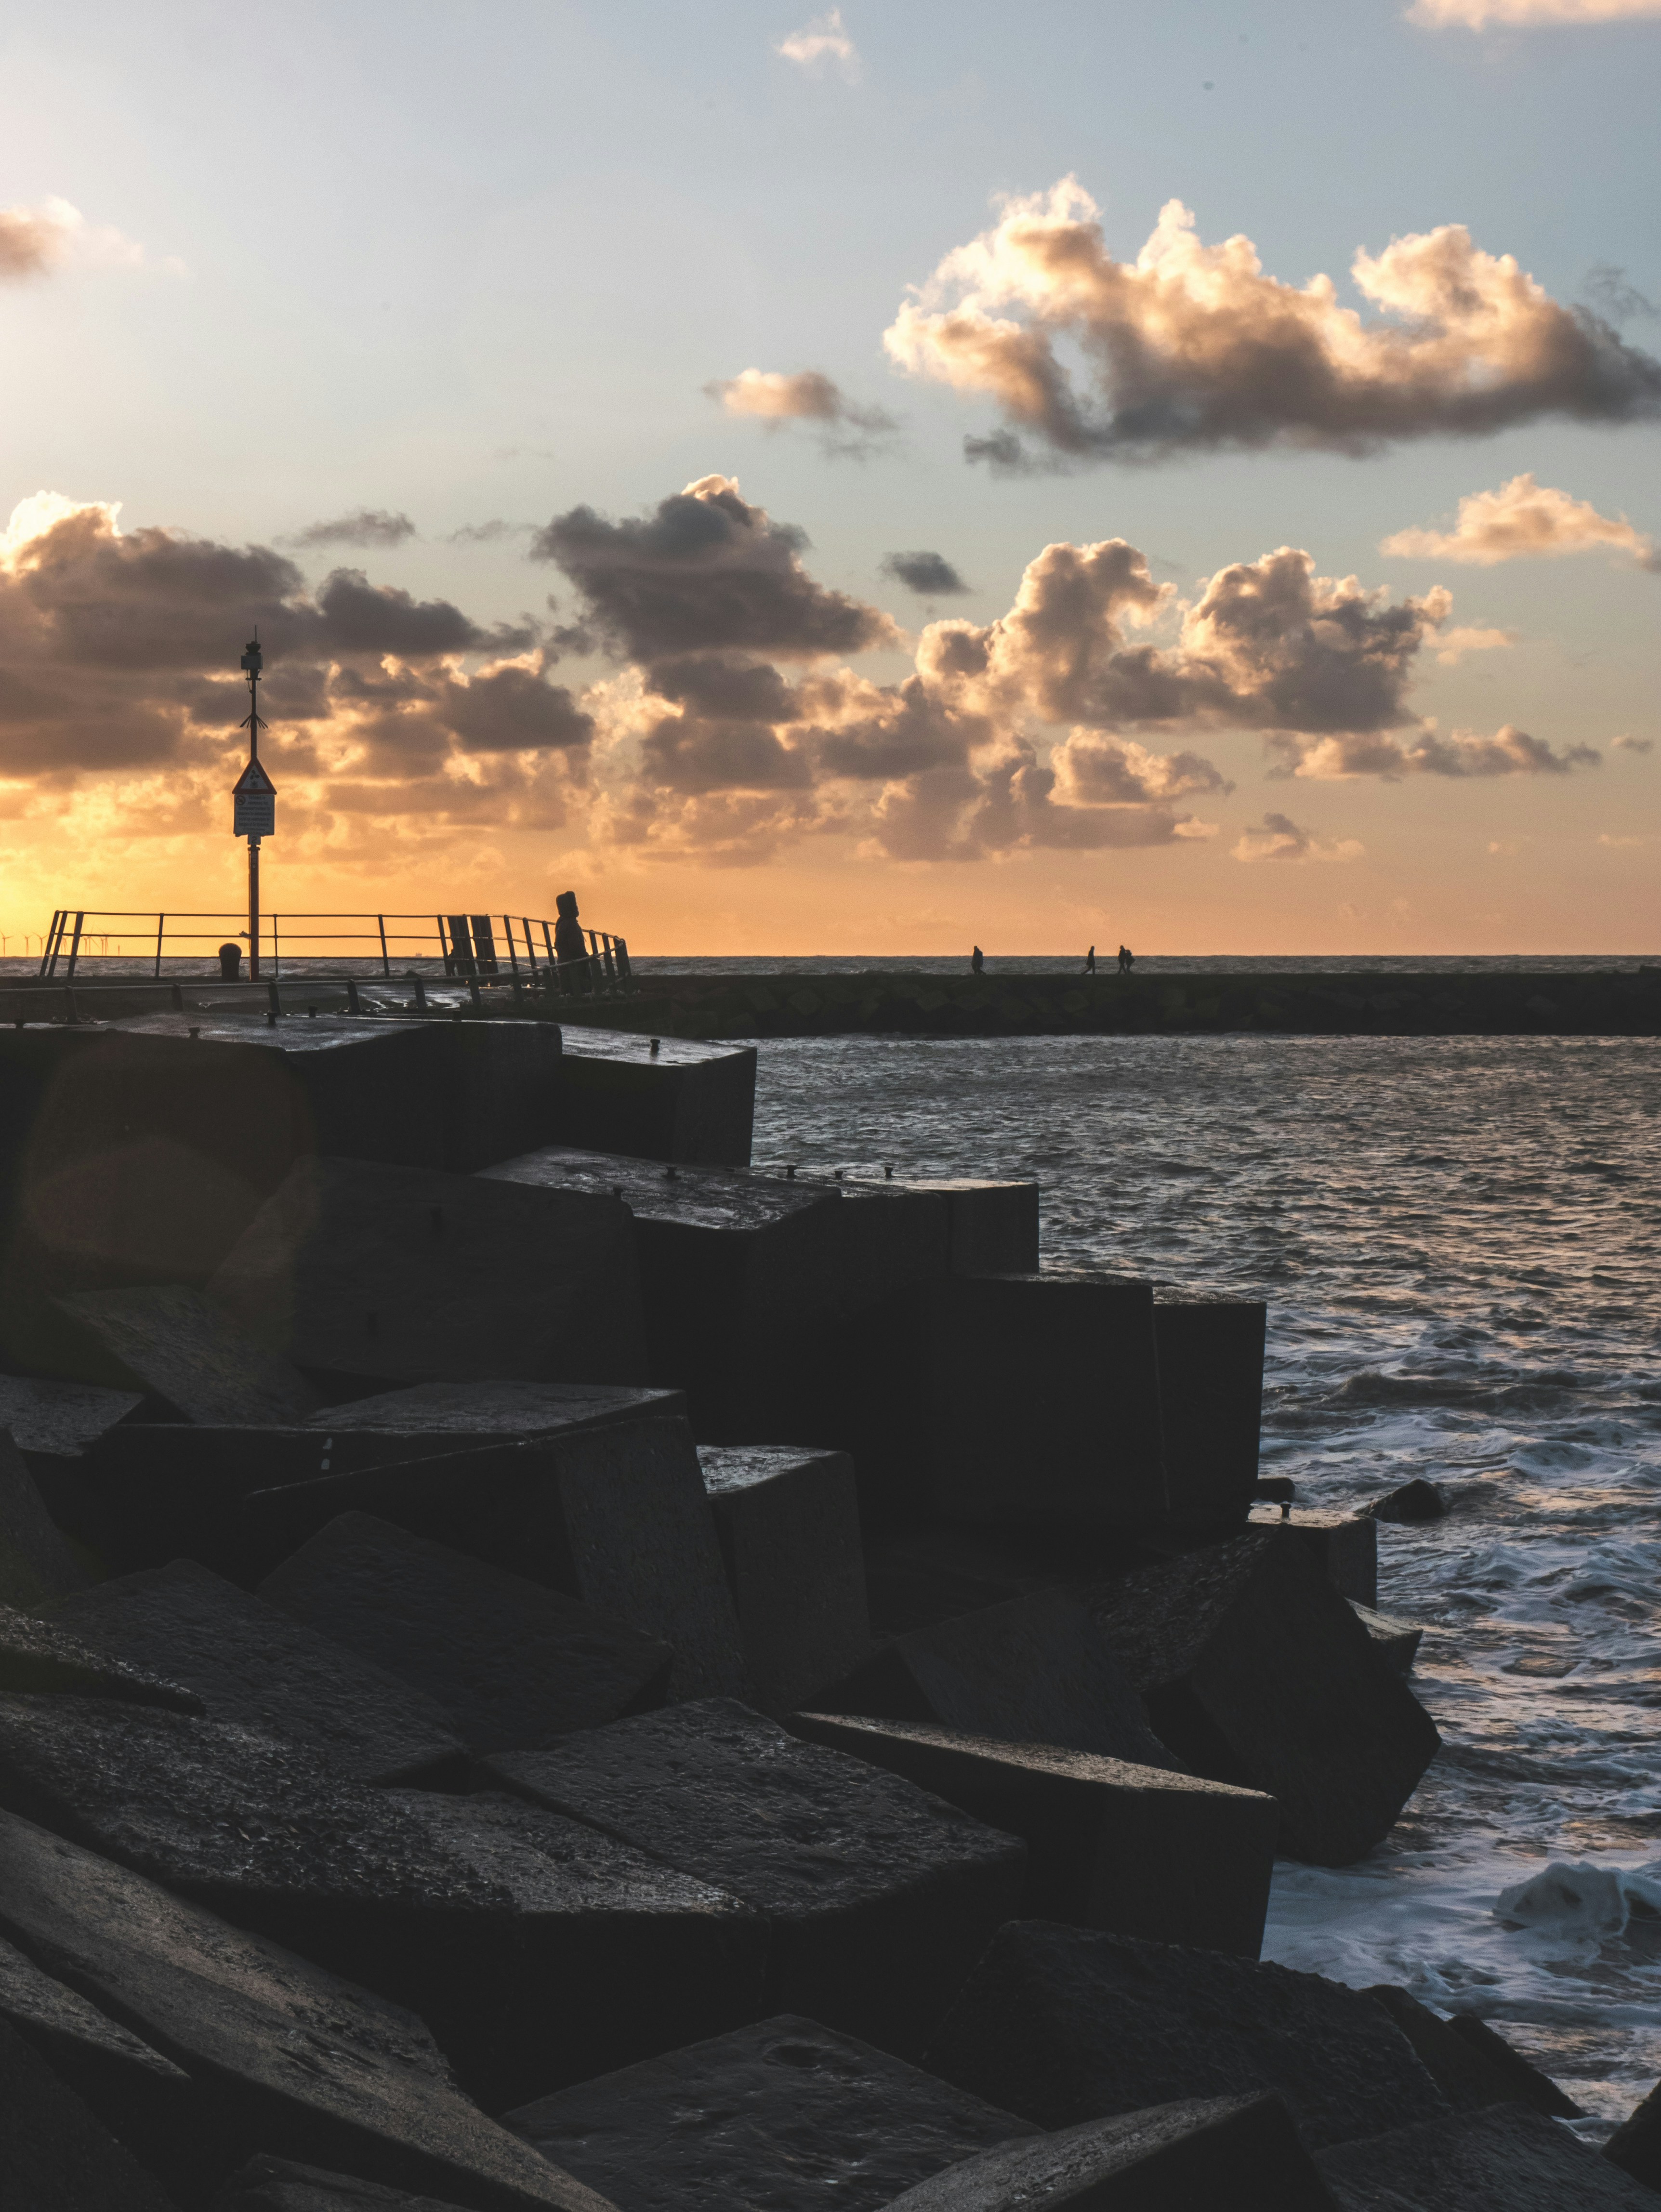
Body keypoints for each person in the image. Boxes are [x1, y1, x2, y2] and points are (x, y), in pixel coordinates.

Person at [554, 889, 591, 993]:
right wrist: (585, 957)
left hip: (564, 964)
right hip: (573, 966)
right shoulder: (571, 925)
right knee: (579, 990)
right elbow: (575, 947)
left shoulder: (561, 923)